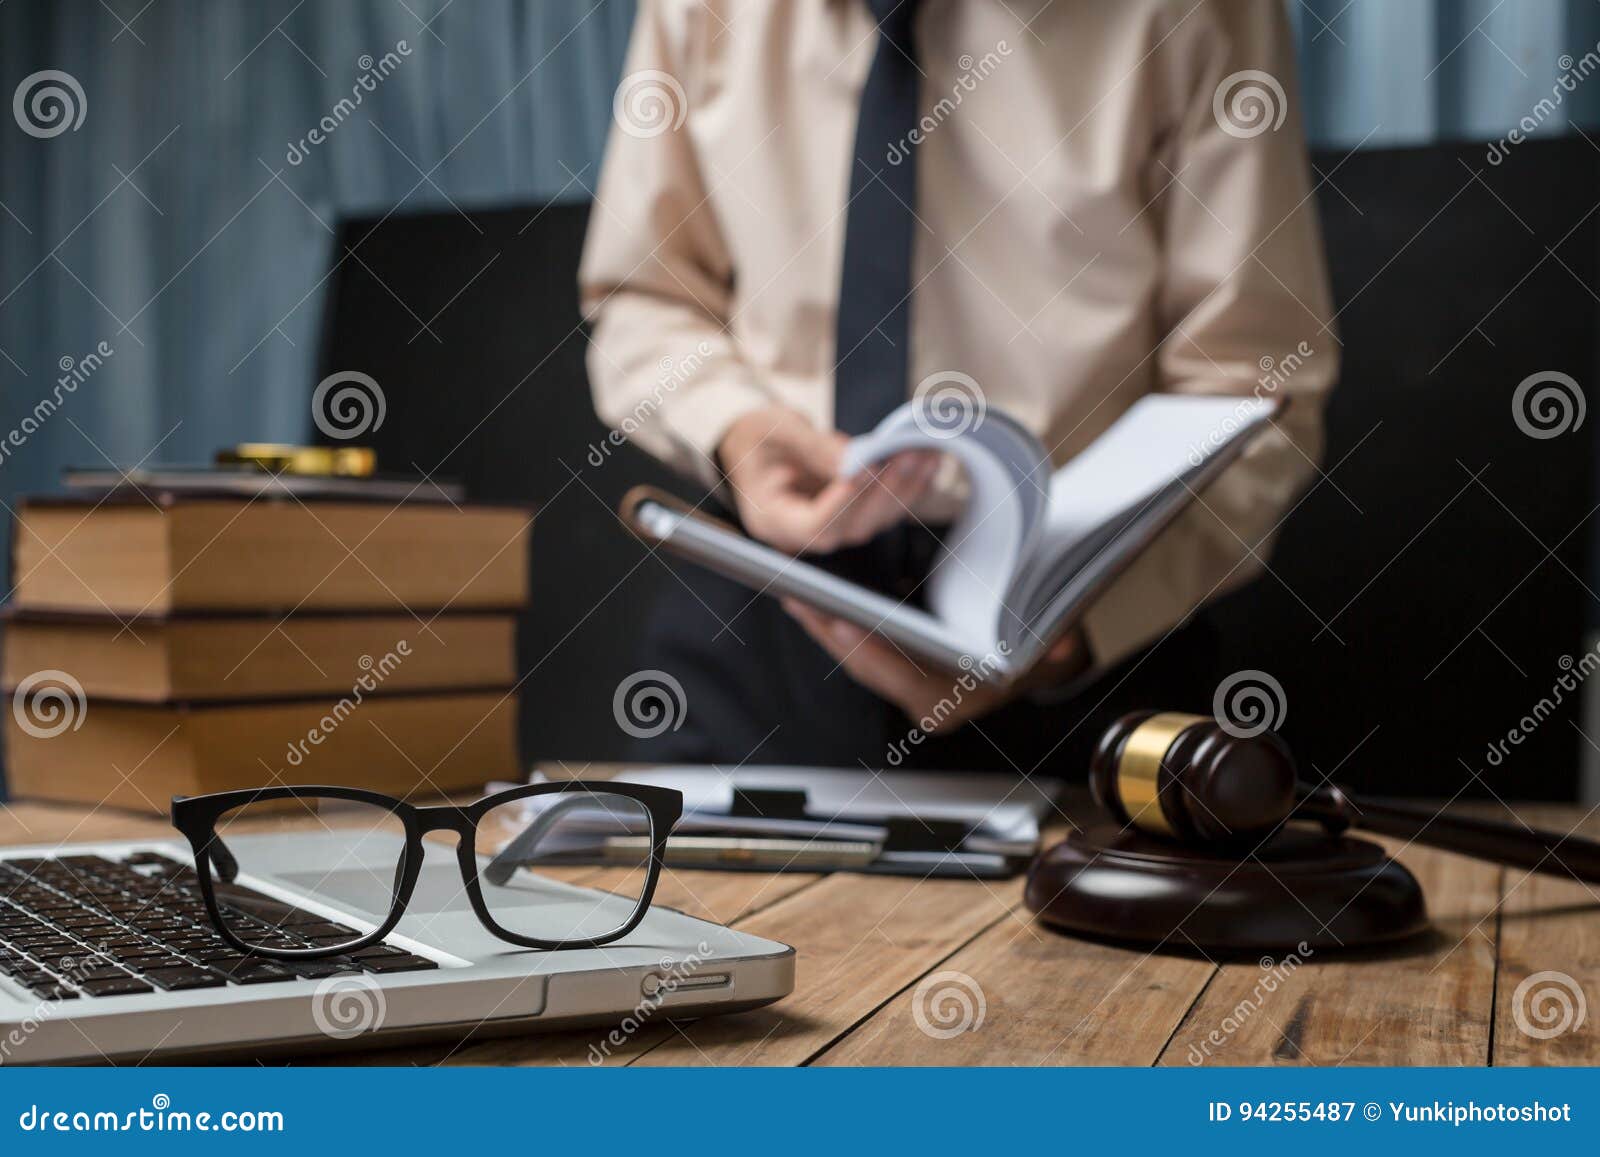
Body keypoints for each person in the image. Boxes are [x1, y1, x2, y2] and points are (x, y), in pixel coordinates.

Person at [578, 0, 1337, 773]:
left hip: (1083, 649)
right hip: (760, 611)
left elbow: (1255, 380)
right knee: (666, 894)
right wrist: (733, 426)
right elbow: (646, 298)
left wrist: (1067, 634)